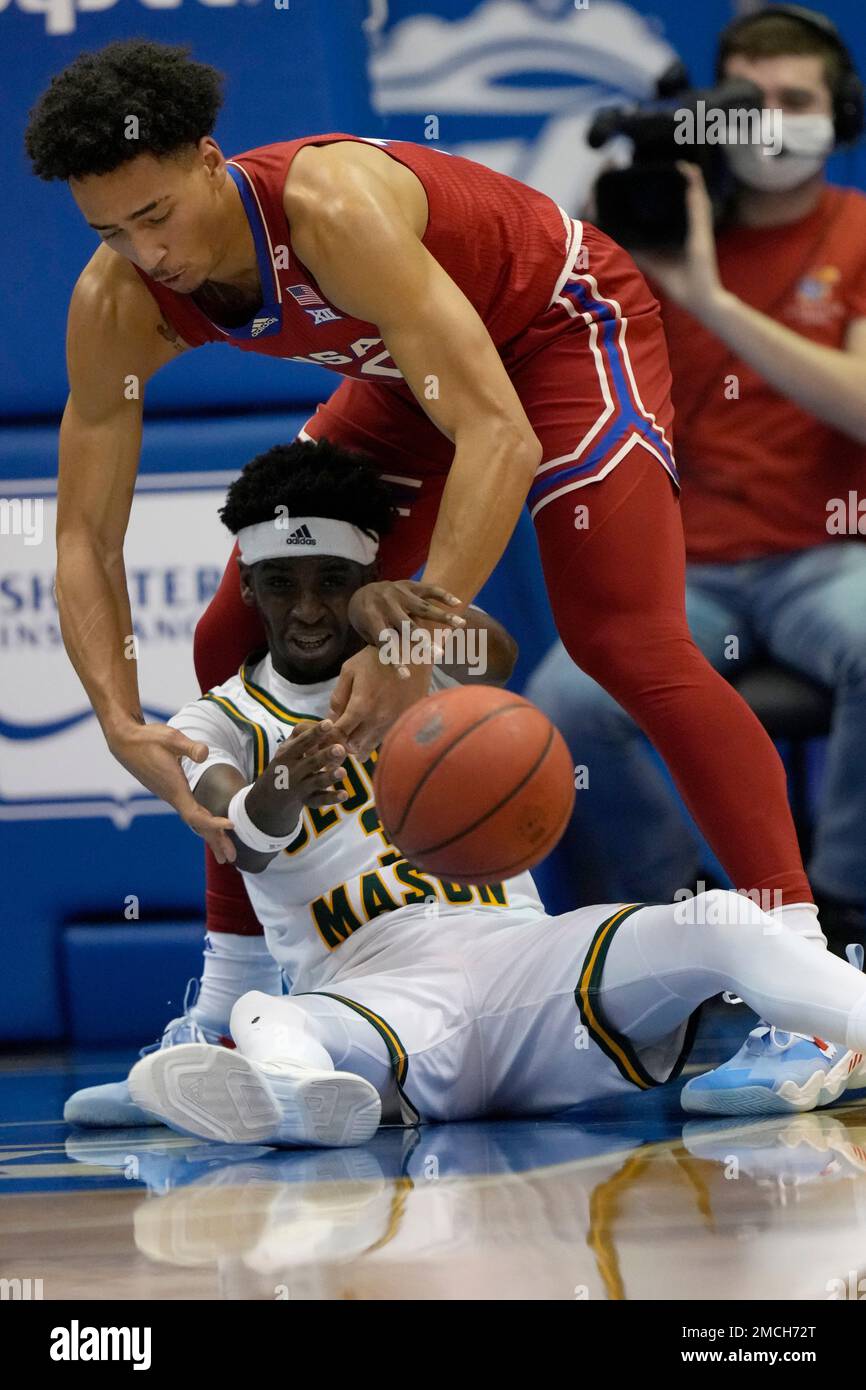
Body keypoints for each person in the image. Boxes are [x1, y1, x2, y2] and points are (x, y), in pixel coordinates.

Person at [27, 38, 820, 1010]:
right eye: (110, 232)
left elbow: (498, 433)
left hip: (556, 332)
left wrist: (414, 639)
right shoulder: (117, 302)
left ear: (207, 158)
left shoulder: (330, 208)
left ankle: (807, 980)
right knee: (231, 638)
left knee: (624, 638)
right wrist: (114, 717)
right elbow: (82, 537)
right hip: (407, 382)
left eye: (154, 215)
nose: (147, 254)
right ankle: (230, 996)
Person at [66, 444, 866, 1138]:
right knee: (267, 1017)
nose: (308, 608)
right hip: (379, 991)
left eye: (334, 581)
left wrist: (414, 620)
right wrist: (279, 792)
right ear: (247, 589)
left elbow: (500, 656)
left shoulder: (413, 654)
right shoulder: (217, 716)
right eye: (281, 584)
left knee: (720, 916)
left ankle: (843, 1027)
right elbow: (233, 835)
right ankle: (301, 1098)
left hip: (529, 965)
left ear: (368, 574)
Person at [529, 8, 866, 946]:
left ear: (840, 114)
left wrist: (710, 299)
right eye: (744, 103)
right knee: (565, 705)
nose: (768, 121)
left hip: (829, 553)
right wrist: (609, 234)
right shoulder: (645, 232)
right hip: (684, 573)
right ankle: (685, 930)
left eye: (794, 101)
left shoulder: (861, 232)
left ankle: (839, 914)